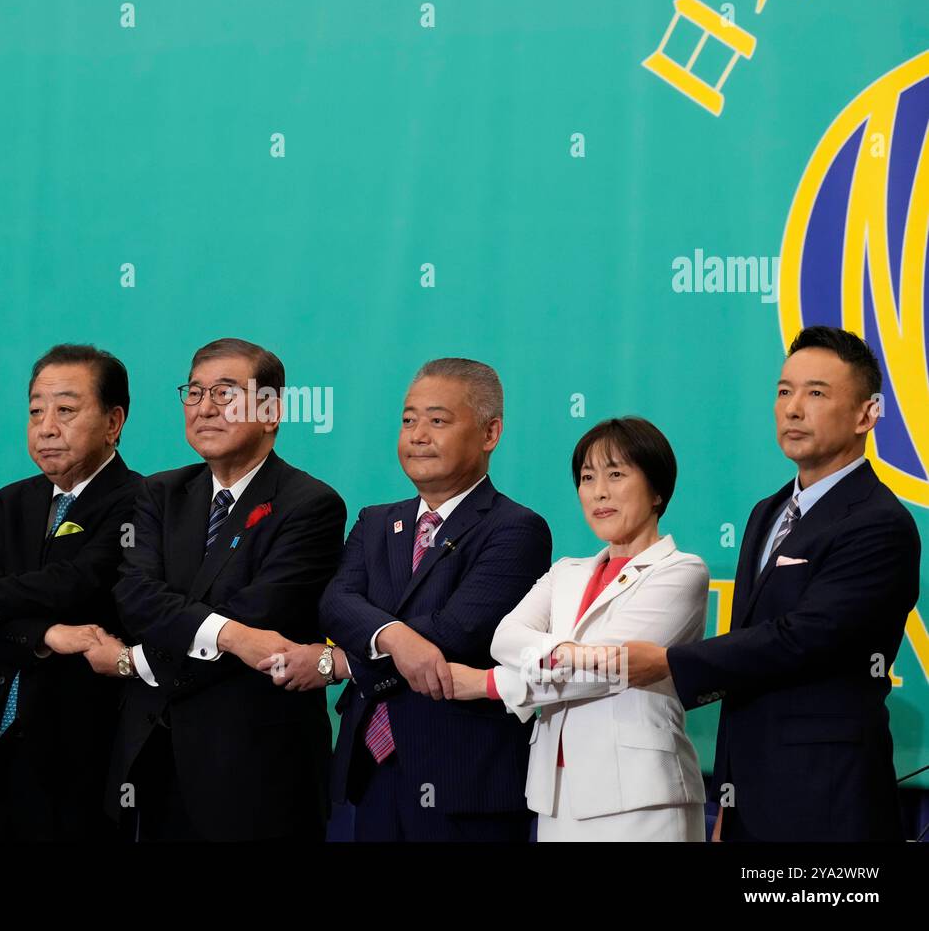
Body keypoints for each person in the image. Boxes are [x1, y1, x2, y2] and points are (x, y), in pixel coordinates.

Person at [626, 326, 921, 841]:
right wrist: (728, 803)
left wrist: (669, 663)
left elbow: (802, 639)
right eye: (784, 391)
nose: (792, 408)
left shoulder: (879, 522)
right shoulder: (768, 512)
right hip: (751, 798)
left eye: (816, 393)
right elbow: (749, 666)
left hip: (827, 801)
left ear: (866, 415)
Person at [108, 338, 346, 841]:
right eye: (194, 393)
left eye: (225, 392)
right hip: (155, 752)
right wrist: (231, 635)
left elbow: (263, 612)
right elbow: (135, 596)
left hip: (254, 765)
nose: (205, 407)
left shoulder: (311, 505)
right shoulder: (161, 492)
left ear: (271, 410)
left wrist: (136, 661)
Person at [319, 358, 551, 841]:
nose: (418, 435)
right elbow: (337, 602)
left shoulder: (515, 528)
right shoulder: (376, 520)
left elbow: (459, 631)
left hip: (465, 777)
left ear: (490, 433)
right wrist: (395, 637)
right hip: (374, 766)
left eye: (438, 420)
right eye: (408, 420)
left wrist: (346, 661)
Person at [0, 344, 142, 841]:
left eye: (66, 410)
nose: (46, 427)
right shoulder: (9, 502)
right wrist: (47, 636)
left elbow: (80, 584)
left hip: (85, 746)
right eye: (36, 410)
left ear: (113, 422)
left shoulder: (142, 502)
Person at [450, 417, 708, 841]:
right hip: (556, 790)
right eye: (587, 478)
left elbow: (606, 671)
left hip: (644, 796)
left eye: (616, 474)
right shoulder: (566, 572)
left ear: (658, 489)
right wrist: (571, 652)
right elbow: (505, 637)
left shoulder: (681, 572)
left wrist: (490, 683)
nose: (599, 492)